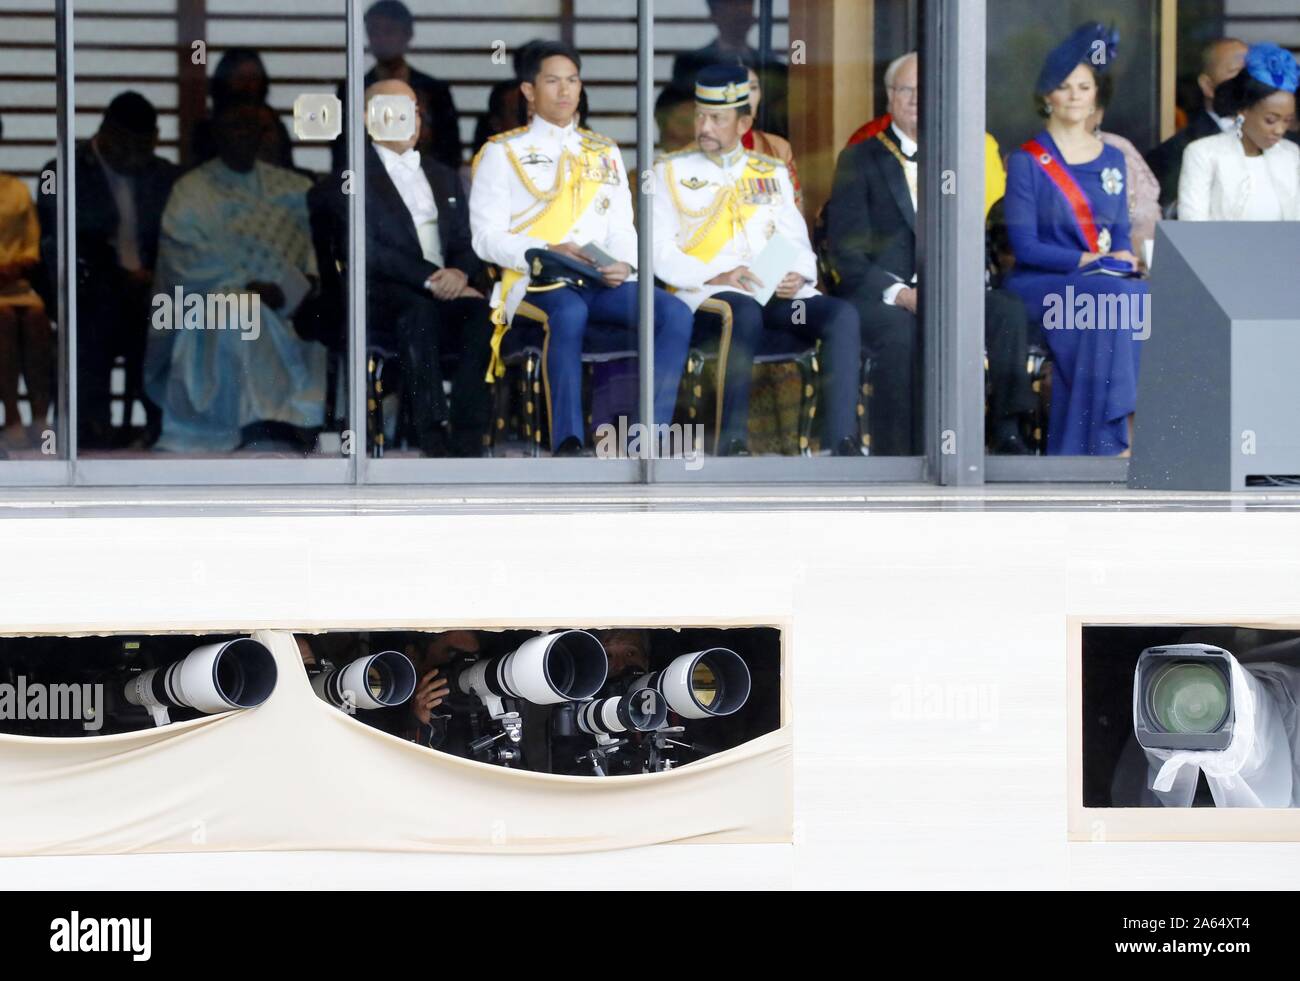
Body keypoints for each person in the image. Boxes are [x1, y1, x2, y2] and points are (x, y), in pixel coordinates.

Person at [469, 40, 693, 455]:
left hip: (599, 280)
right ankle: (568, 440)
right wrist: (546, 249)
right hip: (537, 281)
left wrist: (623, 263)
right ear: (529, 92)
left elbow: (622, 228)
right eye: (552, 81)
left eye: (572, 80)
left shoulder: (603, 150)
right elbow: (485, 237)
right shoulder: (502, 153)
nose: (565, 90)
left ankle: (649, 436)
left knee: (674, 312)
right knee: (570, 313)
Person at [826, 52, 1033, 456]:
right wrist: (901, 294)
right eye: (908, 90)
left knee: (1006, 311)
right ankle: (899, 455)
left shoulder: (960, 156)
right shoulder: (859, 158)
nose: (918, 99)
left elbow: (979, 235)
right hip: (883, 297)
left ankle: (1007, 435)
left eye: (928, 91)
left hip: (947, 290)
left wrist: (963, 284)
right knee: (905, 333)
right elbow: (845, 253)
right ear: (890, 97)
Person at [652, 65, 862, 457]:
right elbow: (659, 253)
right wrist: (719, 274)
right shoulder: (670, 171)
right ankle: (731, 439)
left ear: (744, 121)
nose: (705, 127)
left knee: (840, 315)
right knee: (743, 310)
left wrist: (796, 275)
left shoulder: (771, 171)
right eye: (701, 115)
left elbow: (796, 240)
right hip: (707, 296)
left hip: (773, 294)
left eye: (717, 118)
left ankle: (840, 441)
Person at [317, 80, 493, 456]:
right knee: (419, 309)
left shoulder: (443, 175)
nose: (409, 118)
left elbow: (466, 239)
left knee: (484, 315)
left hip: (448, 288)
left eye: (413, 109)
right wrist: (431, 279)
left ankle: (469, 431)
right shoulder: (349, 179)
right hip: (386, 292)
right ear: (367, 118)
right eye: (395, 109)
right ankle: (430, 431)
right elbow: (365, 249)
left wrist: (459, 274)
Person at [145, 102, 326, 453]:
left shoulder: (292, 186)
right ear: (216, 134)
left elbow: (318, 244)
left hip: (293, 303)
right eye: (233, 127)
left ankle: (302, 420)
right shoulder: (191, 191)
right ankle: (258, 418)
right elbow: (184, 260)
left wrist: (308, 280)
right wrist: (246, 285)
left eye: (250, 127)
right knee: (243, 312)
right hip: (212, 303)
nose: (242, 135)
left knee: (319, 317)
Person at [1003, 24, 1147, 457]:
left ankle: (1135, 434)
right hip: (1040, 282)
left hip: (1101, 282)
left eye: (1084, 86)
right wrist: (1092, 260)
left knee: (1145, 297)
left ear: (1095, 94)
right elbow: (1026, 248)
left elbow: (1120, 233)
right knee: (1111, 295)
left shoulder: (1114, 158)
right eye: (1064, 87)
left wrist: (1121, 259)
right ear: (1047, 95)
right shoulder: (1028, 161)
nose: (1074, 95)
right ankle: (1108, 440)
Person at [38, 92, 177, 450]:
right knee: (91, 322)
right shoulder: (64, 171)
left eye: (145, 146)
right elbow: (61, 244)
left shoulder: (164, 175)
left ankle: (166, 426)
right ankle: (88, 429)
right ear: (106, 133)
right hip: (91, 289)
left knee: (179, 320)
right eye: (129, 145)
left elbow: (181, 238)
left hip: (151, 291)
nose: (136, 155)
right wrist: (118, 276)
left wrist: (155, 276)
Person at [333, 0, 461, 172]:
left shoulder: (435, 91)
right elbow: (343, 152)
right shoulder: (352, 90)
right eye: (374, 32)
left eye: (389, 31)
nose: (381, 39)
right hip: (368, 183)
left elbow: (450, 153)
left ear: (408, 34)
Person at [1178, 43, 1299, 222]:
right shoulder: (1203, 153)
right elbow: (1192, 226)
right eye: (1270, 120)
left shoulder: (1291, 154)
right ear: (1243, 110)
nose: (1280, 130)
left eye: (1287, 121)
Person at [1145, 38, 1249, 209]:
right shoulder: (1174, 153)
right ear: (1207, 85)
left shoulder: (1284, 144)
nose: (1247, 82)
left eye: (1251, 74)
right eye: (1236, 73)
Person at [0, 114, 52, 452]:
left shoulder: (16, 188)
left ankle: (39, 416)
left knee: (36, 318)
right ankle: (12, 414)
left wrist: (17, 266)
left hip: (15, 283)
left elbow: (33, 245)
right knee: (2, 319)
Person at [671, 0, 788, 138]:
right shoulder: (689, 65)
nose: (739, 11)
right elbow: (680, 122)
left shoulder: (776, 69)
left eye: (744, 3)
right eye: (730, 4)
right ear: (714, 12)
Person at [1089, 71, 1162, 261]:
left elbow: (1147, 225)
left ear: (1099, 113)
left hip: (1120, 271)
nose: (1073, 107)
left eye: (1086, 105)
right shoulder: (1033, 157)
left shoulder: (1118, 152)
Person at [188, 49, 294, 171]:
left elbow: (287, 166)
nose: (248, 85)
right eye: (241, 78)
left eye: (254, 78)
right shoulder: (206, 129)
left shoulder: (271, 122)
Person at [737, 65, 802, 213]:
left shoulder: (778, 148)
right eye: (738, 88)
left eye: (753, 88)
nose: (747, 96)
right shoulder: (689, 156)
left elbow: (794, 212)